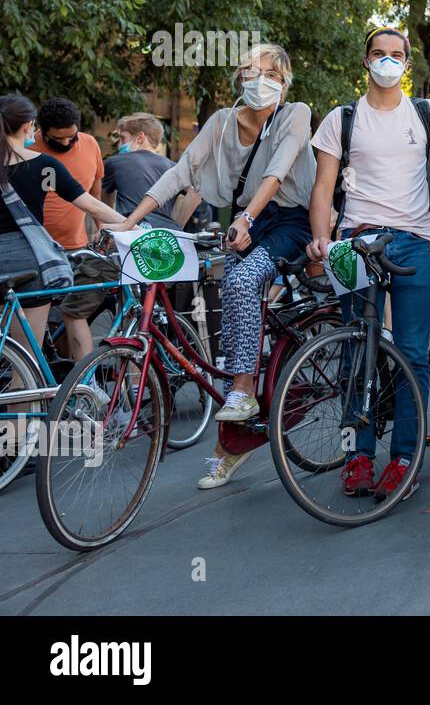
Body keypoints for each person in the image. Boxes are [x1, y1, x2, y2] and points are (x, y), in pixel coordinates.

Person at [120, 43, 317, 489]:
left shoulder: (295, 114)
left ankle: (245, 392)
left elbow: (278, 169)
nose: (259, 79)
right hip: (248, 218)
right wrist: (130, 221)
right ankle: (232, 437)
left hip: (288, 219)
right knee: (228, 307)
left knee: (244, 281)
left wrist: (246, 219)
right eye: (250, 70)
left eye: (269, 73)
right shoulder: (223, 122)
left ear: (284, 82)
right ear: (239, 77)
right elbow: (181, 171)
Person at [308, 26, 430, 500]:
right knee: (355, 353)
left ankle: (404, 458)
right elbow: (324, 186)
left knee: (411, 354)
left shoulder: (427, 114)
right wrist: (322, 238)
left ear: (407, 65)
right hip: (355, 241)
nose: (386, 61)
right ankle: (358, 456)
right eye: (378, 53)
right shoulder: (341, 119)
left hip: (413, 241)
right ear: (365, 61)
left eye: (396, 55)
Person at [0, 94, 125, 348]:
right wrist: (135, 225)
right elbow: (92, 205)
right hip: (28, 264)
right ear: (28, 126)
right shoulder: (43, 165)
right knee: (26, 359)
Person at [33, 98, 108, 360]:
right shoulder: (29, 148)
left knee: (70, 317)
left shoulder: (90, 144)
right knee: (40, 321)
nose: (65, 143)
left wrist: (102, 228)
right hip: (38, 249)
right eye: (57, 139)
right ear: (42, 131)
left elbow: (95, 193)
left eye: (71, 137)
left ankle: (68, 379)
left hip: (77, 246)